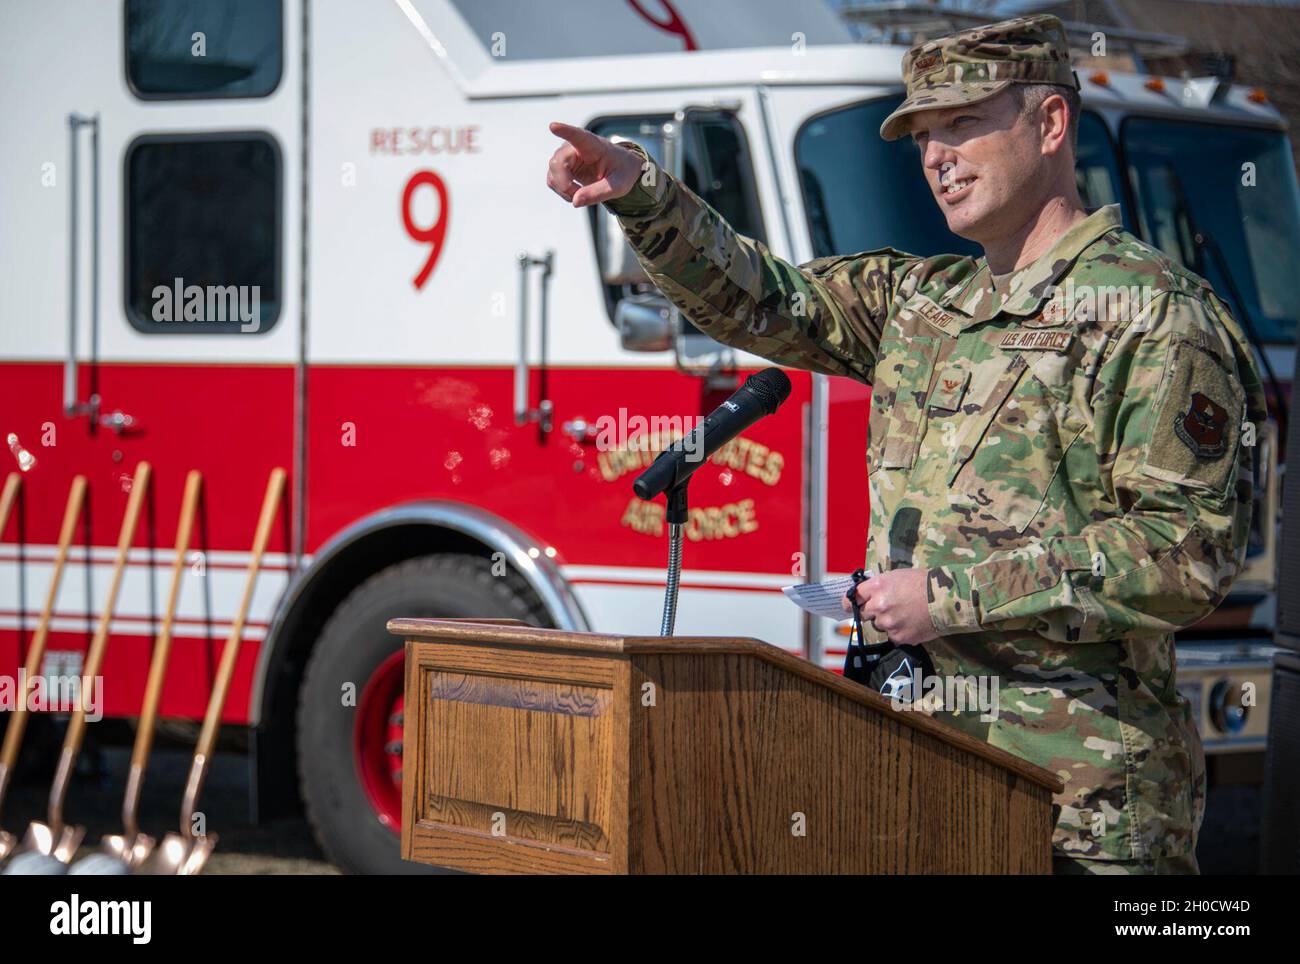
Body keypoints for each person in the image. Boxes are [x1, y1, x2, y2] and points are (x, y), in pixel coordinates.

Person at [544, 14, 1266, 875]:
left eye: (963, 122)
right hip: (916, 774)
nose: (936, 155)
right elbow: (760, 297)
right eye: (923, 134)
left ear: (1049, 123)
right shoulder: (920, 301)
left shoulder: (1151, 314)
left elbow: (1186, 555)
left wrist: (953, 597)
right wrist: (640, 192)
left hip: (1078, 810)